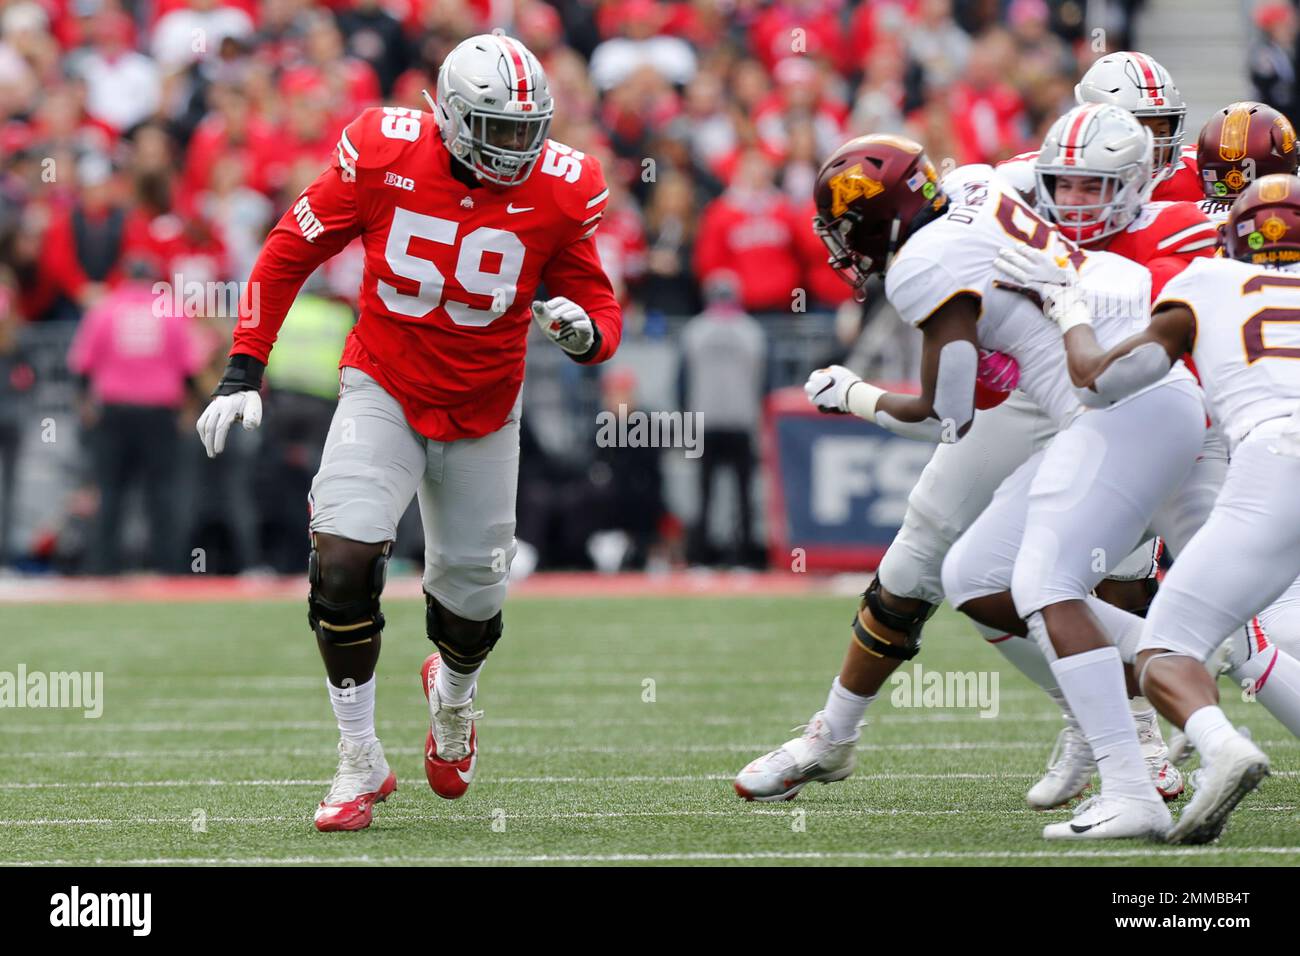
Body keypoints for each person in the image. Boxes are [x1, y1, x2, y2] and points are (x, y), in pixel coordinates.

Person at [194, 34, 622, 832]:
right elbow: (291, 248)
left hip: (487, 409)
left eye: (530, 129)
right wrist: (244, 367)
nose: (519, 147)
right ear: (454, 119)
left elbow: (600, 308)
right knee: (344, 554)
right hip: (382, 385)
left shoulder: (565, 190)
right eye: (500, 128)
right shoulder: (382, 152)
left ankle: (453, 699)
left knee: (470, 607)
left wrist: (585, 335)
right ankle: (359, 756)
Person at [997, 173, 1300, 842]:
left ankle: (1223, 745)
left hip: (1276, 459)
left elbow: (1100, 381)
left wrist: (1068, 305)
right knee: (1275, 628)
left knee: (1164, 646)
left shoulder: (1207, 281)